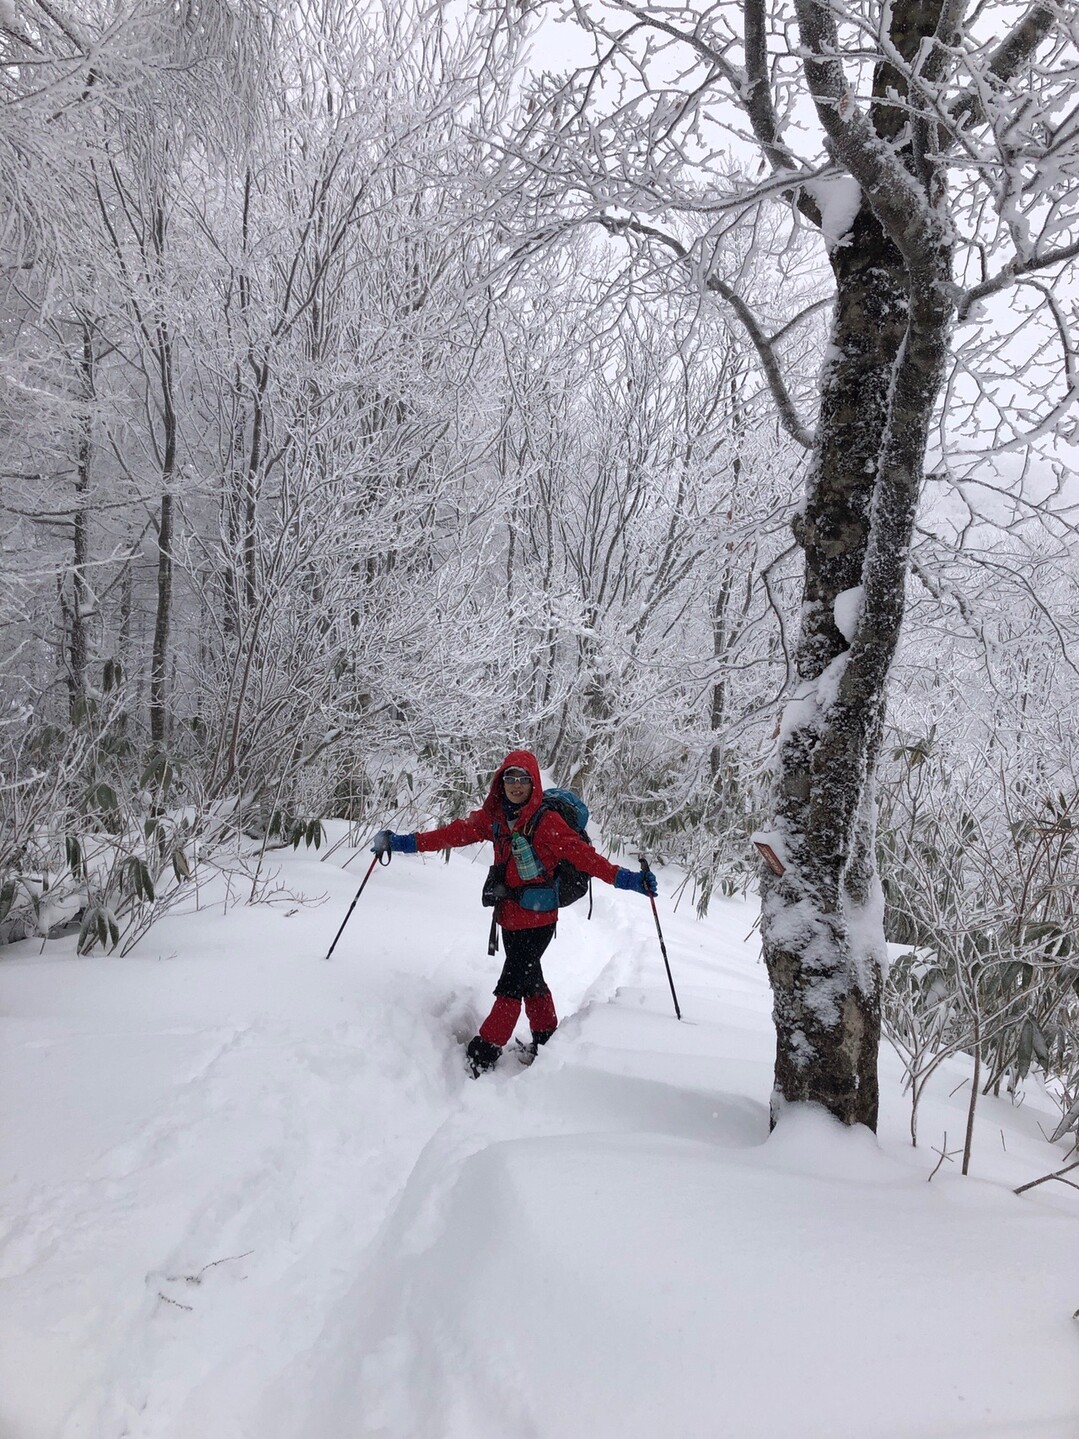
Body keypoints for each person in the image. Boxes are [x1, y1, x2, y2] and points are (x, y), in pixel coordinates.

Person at [370, 749, 657, 1076]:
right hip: (509, 917)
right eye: (510, 778)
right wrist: (401, 843)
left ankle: (486, 1050)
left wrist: (629, 880)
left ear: (534, 782)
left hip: (540, 919)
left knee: (511, 984)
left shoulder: (548, 823)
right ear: (501, 781)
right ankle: (546, 1039)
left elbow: (586, 859)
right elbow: (448, 835)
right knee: (530, 979)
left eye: (523, 779)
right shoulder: (492, 819)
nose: (516, 785)